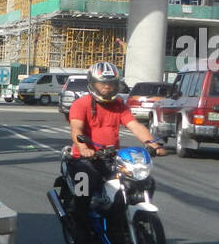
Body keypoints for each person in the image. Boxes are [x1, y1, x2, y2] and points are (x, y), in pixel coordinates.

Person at [66, 61, 164, 222]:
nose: (107, 87)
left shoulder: (119, 104)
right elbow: (76, 129)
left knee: (144, 181)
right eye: (102, 83)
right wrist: (84, 148)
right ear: (92, 83)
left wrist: (152, 143)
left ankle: (123, 218)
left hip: (111, 158)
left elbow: (135, 126)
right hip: (83, 160)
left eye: (111, 83)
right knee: (83, 191)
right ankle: (80, 227)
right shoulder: (80, 104)